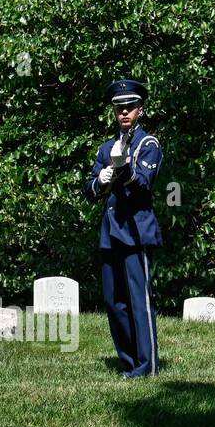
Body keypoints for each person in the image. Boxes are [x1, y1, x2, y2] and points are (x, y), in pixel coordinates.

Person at [82, 78, 163, 378]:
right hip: (111, 232)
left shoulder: (148, 144)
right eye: (119, 109)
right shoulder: (107, 147)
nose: (124, 113)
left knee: (139, 301)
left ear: (140, 110)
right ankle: (129, 363)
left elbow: (143, 185)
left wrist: (124, 168)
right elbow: (90, 190)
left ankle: (147, 365)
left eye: (130, 108)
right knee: (114, 302)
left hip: (136, 232)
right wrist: (99, 181)